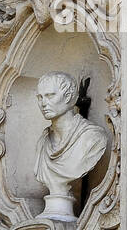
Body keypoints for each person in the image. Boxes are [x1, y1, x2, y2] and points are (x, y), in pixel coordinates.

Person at [33, 72, 109, 221]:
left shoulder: (92, 138)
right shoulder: (43, 142)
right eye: (40, 97)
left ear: (68, 97)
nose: (43, 103)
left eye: (49, 96)